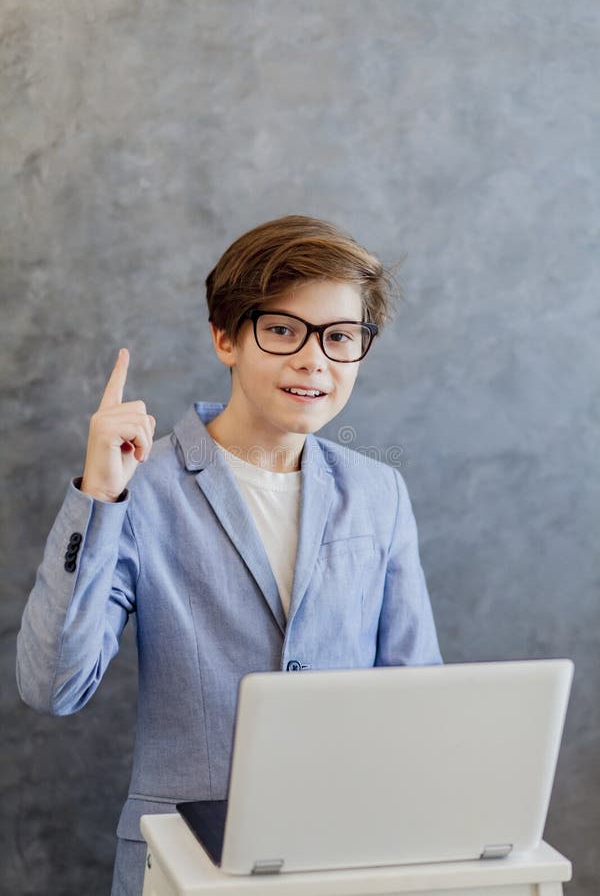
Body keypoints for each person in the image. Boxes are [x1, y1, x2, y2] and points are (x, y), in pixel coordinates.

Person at [16, 214, 442, 895]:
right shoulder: (139, 489)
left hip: (345, 861)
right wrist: (98, 498)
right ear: (226, 337)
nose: (314, 361)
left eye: (340, 338)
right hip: (186, 866)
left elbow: (417, 700)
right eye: (282, 330)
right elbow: (53, 687)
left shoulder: (378, 492)